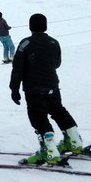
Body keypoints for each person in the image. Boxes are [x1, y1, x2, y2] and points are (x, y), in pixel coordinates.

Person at [10, 13, 85, 165]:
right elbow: (57, 63)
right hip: (52, 85)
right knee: (58, 111)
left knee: (38, 117)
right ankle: (74, 141)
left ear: (31, 26)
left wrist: (14, 89)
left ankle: (49, 151)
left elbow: (18, 67)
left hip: (33, 88)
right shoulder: (53, 42)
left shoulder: (26, 43)